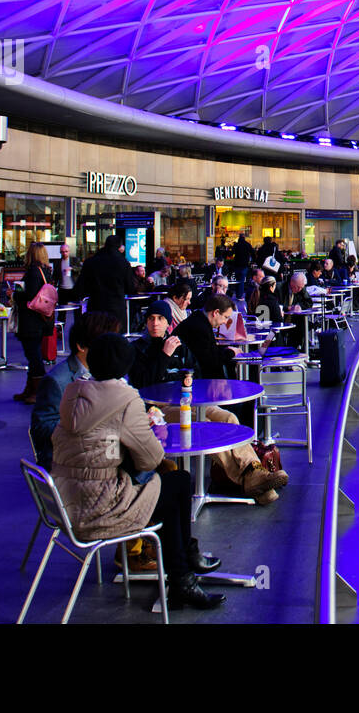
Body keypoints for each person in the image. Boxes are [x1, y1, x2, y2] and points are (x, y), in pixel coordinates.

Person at [50, 333, 224, 611]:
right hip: (100, 508)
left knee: (171, 486)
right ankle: (183, 575)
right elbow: (150, 459)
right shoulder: (125, 397)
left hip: (65, 503)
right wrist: (146, 429)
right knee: (178, 482)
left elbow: (97, 439)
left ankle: (184, 570)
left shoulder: (73, 393)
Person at [30, 311, 117, 467]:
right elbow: (42, 431)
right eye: (105, 343)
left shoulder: (107, 371)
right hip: (70, 463)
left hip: (105, 452)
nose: (112, 349)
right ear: (82, 346)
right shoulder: (57, 381)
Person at [14, 242, 56, 404]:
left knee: (33, 355)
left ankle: (38, 390)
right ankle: (30, 388)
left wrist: (16, 294)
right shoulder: (46, 271)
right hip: (42, 319)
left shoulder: (32, 272)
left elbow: (30, 296)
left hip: (30, 320)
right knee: (34, 353)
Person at [128, 303, 194, 389]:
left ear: (168, 323)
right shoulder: (137, 348)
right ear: (146, 322)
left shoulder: (178, 345)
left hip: (177, 398)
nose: (155, 323)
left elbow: (194, 373)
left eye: (160, 318)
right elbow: (142, 383)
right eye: (151, 318)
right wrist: (165, 355)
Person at [73, 234, 132, 329]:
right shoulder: (123, 263)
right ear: (119, 246)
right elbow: (130, 287)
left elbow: (82, 286)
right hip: (116, 308)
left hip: (96, 307)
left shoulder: (90, 262)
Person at [175, 293, 237, 381]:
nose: (225, 322)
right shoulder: (200, 328)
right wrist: (231, 352)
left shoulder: (198, 320)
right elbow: (210, 363)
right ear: (216, 312)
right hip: (197, 383)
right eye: (226, 317)